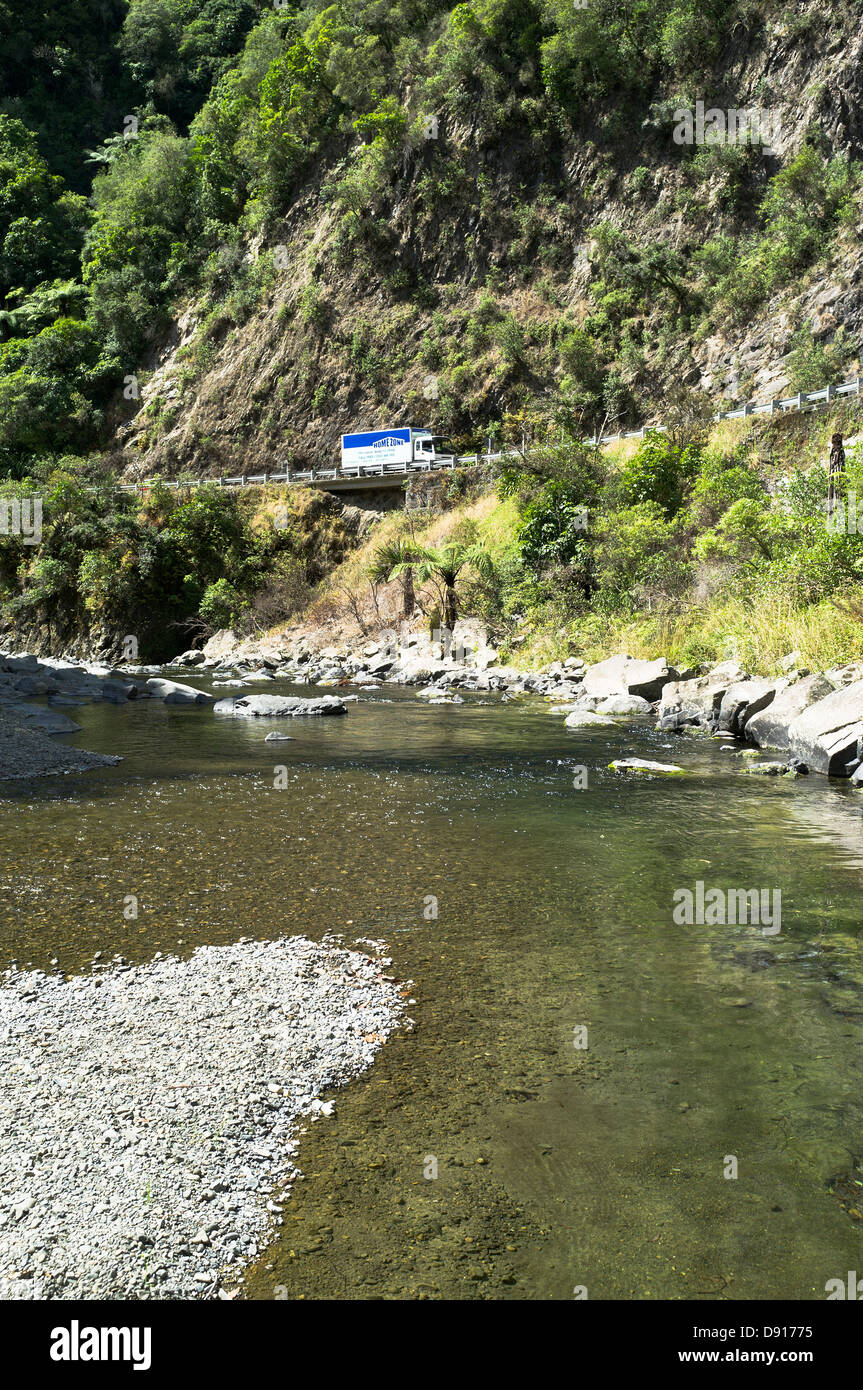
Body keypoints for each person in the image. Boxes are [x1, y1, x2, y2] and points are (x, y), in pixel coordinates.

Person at [827, 432, 845, 515]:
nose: (835, 445)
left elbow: (841, 465)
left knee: (838, 491)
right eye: (833, 443)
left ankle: (837, 509)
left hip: (838, 474)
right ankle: (831, 510)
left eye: (837, 443)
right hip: (832, 474)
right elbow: (831, 463)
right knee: (831, 491)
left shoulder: (841, 452)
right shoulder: (832, 452)